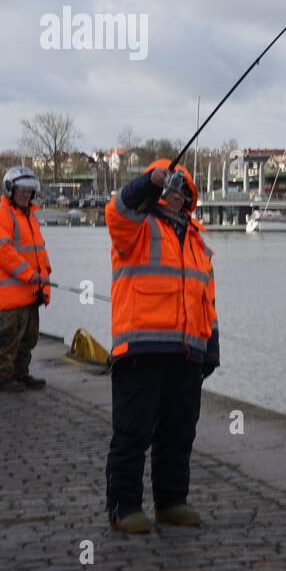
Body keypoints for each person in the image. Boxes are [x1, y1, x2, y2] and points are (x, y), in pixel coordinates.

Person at [104, 160, 219, 534]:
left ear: (189, 198)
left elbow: (208, 301)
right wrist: (145, 182)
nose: (174, 194)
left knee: (179, 432)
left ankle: (171, 502)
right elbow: (118, 208)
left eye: (180, 189)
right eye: (167, 188)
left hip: (187, 352)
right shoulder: (134, 228)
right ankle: (124, 507)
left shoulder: (199, 242)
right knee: (133, 432)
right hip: (141, 347)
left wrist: (211, 346)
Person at [0, 167, 52, 393]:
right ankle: (1, 378)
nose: (25, 194)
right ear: (11, 190)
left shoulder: (30, 217)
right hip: (13, 294)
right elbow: (3, 252)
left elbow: (39, 253)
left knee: (28, 339)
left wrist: (43, 282)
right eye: (21, 190)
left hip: (32, 292)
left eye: (29, 190)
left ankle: (20, 374)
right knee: (10, 339)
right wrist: (29, 274)